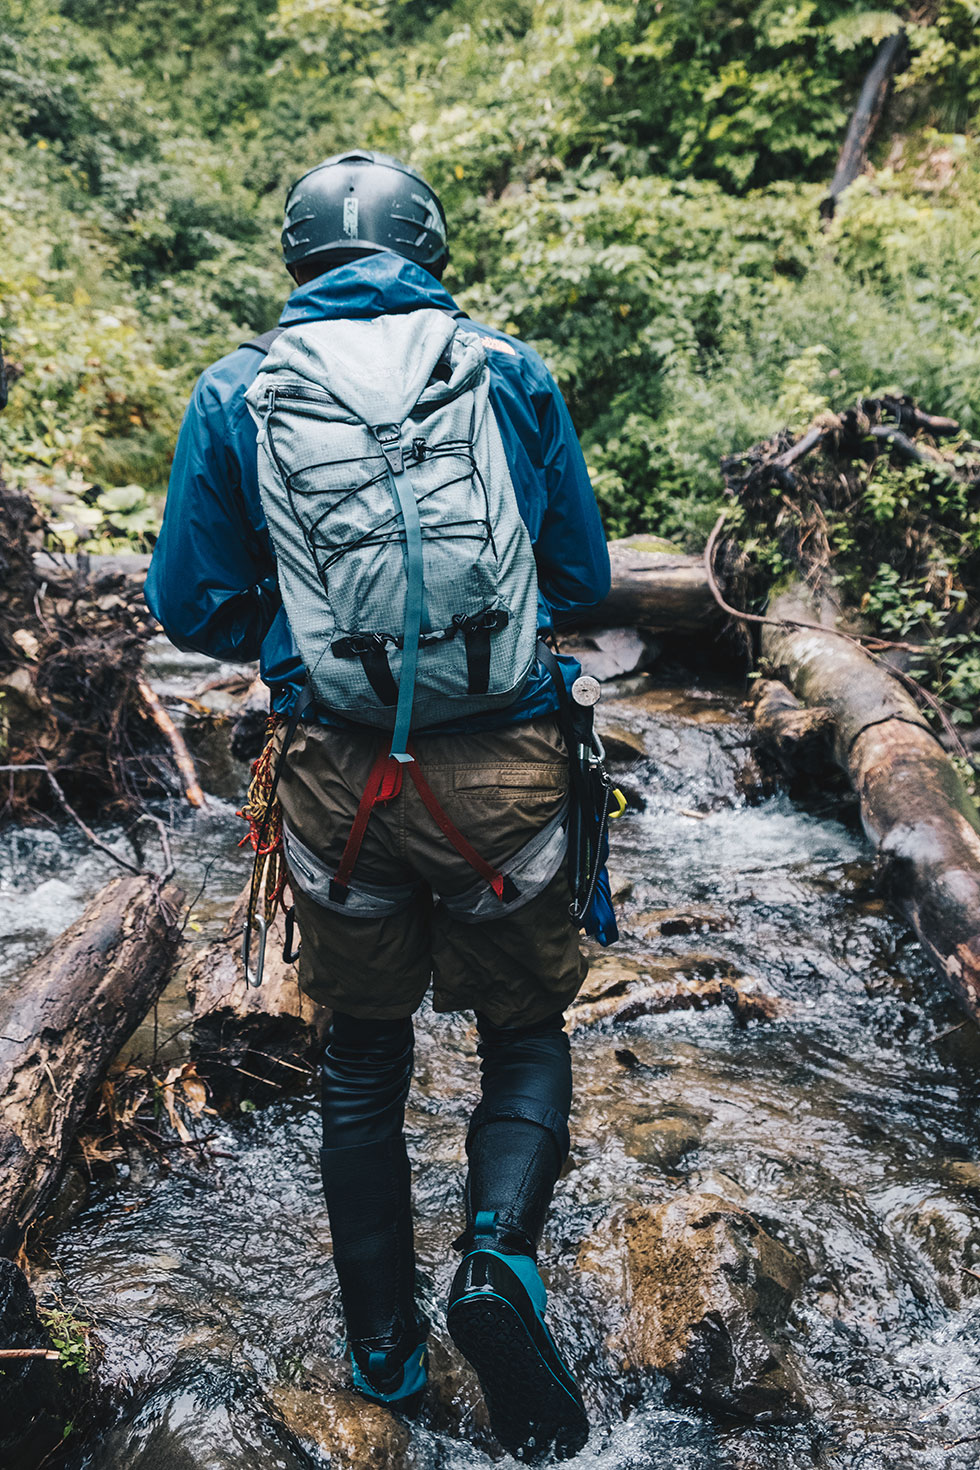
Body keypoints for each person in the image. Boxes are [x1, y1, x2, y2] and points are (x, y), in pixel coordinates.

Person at [145, 150, 610, 1463]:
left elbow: (188, 605)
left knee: (362, 1057)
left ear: (297, 262)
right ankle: (495, 1264)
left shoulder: (240, 390)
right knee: (524, 1031)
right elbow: (577, 570)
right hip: (507, 773)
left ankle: (384, 1349)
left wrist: (304, 646)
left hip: (338, 782)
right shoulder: (505, 369)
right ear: (431, 248)